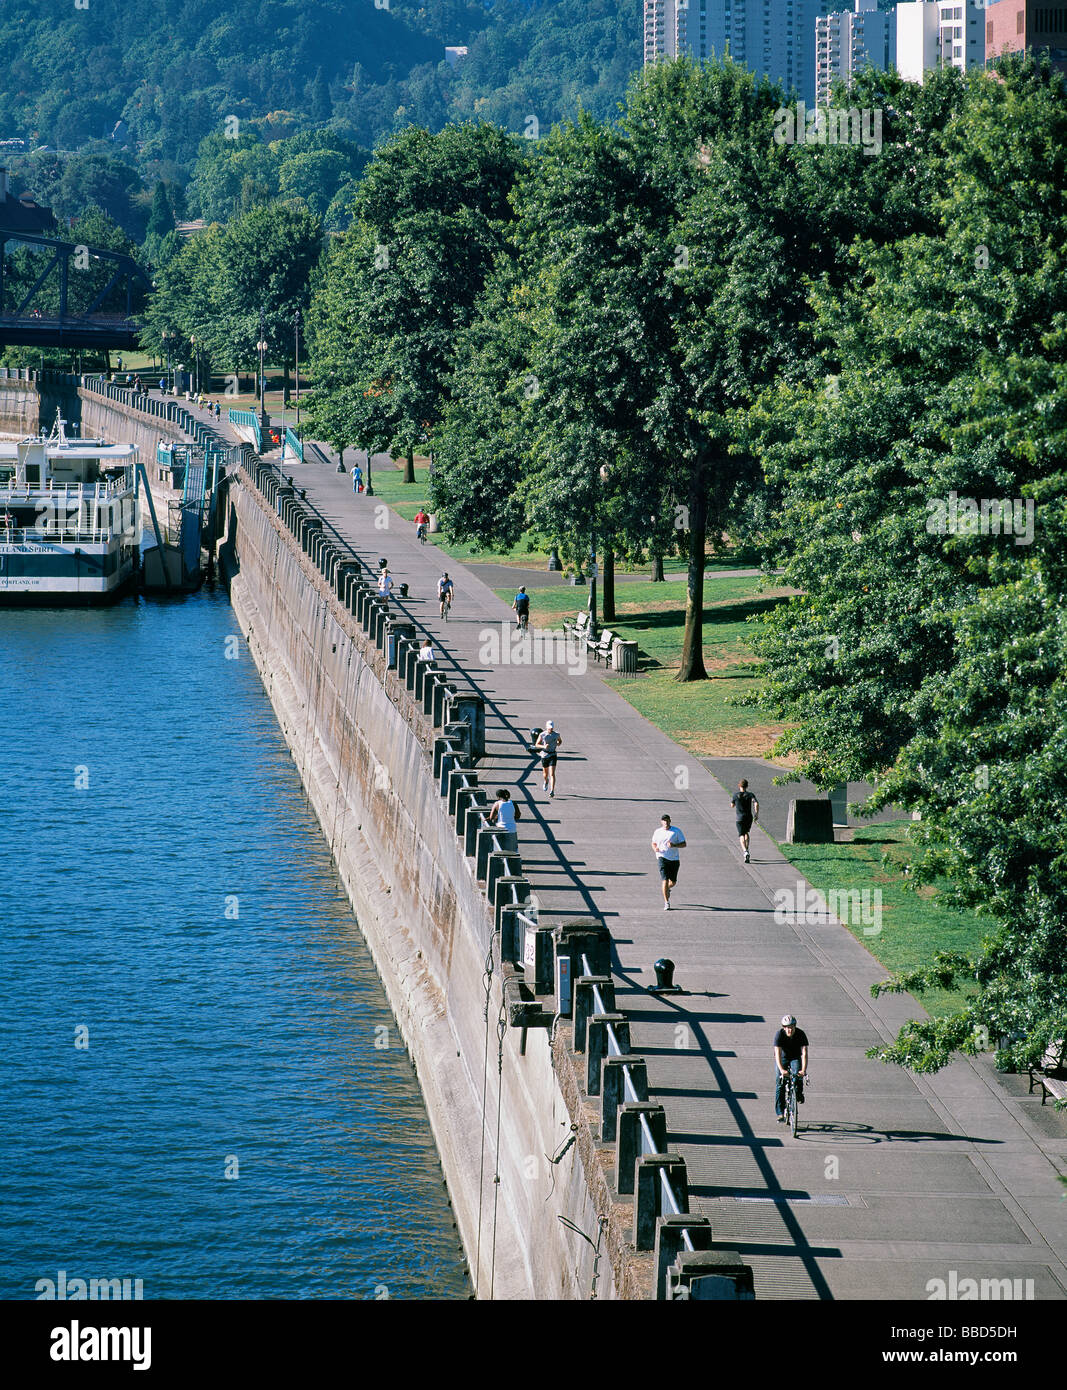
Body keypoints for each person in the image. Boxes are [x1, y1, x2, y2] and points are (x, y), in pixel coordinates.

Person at [773, 1015, 808, 1122]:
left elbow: (804, 1053)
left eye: (792, 1027)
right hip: (783, 1058)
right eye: (787, 1027)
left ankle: (799, 1093)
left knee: (797, 1074)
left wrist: (803, 1070)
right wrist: (782, 1070)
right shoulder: (779, 1035)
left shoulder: (801, 1034)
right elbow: (777, 1054)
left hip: (795, 1057)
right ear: (784, 1027)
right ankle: (780, 1112)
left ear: (795, 1026)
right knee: (780, 1084)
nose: (790, 1029)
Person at [651, 812, 686, 910]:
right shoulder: (657, 832)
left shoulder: (676, 831)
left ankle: (668, 889)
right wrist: (655, 849)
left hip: (674, 859)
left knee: (673, 882)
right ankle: (666, 902)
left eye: (667, 820)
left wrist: (674, 845)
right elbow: (653, 843)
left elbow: (684, 844)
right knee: (664, 880)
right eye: (664, 820)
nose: (665, 822)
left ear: (670, 821)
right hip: (662, 857)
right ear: (661, 822)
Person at [731, 778, 759, 863]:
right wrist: (756, 813)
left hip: (739, 818)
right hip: (748, 817)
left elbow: (732, 805)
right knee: (746, 833)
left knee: (741, 835)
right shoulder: (750, 795)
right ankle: (747, 849)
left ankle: (745, 851)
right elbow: (756, 803)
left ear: (739, 786)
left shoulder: (735, 795)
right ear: (747, 786)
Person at [535, 720, 562, 796]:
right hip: (544, 755)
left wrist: (558, 743)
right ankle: (546, 781)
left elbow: (560, 741)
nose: (551, 729)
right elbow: (537, 744)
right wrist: (544, 746)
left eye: (552, 728)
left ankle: (552, 791)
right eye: (549, 728)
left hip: (553, 755)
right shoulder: (542, 734)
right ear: (547, 727)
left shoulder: (556, 734)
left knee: (552, 774)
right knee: (545, 774)